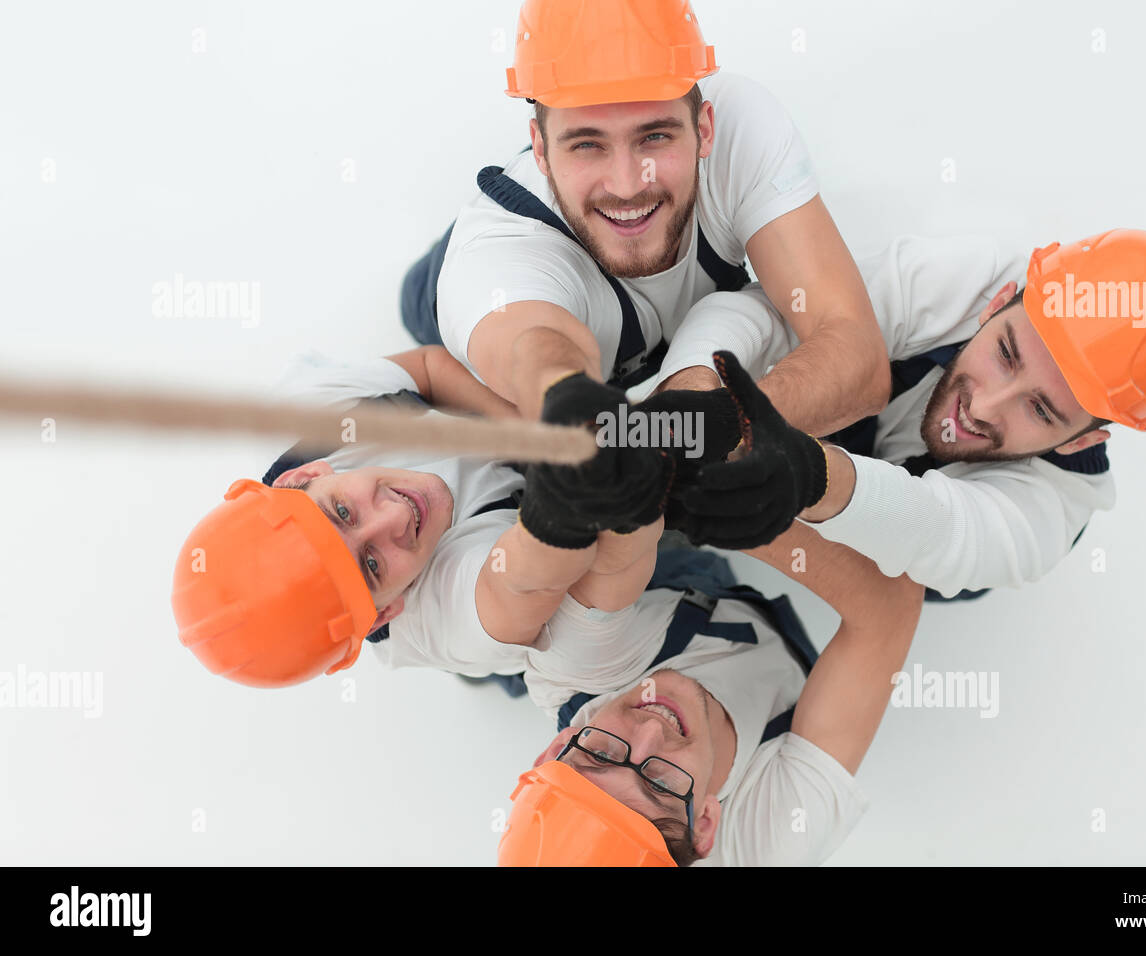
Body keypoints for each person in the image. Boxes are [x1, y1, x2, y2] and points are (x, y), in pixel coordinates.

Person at [401, 0, 892, 538]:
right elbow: (535, 348)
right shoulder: (494, 261)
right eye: (587, 143)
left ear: (705, 128)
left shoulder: (741, 126)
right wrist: (564, 393)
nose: (629, 183)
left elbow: (859, 357)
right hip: (464, 292)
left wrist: (726, 423)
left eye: (654, 137)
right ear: (539, 149)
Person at [659, 229, 1146, 599]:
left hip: (893, 554)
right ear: (997, 303)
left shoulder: (1049, 517)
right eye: (1005, 354)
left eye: (1040, 409)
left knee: (895, 566)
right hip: (819, 441)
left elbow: (943, 530)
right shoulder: (956, 278)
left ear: (1080, 442)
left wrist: (805, 476)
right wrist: (691, 398)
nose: (982, 406)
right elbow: (761, 314)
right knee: (837, 354)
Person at [170, 345, 666, 687]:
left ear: (302, 476)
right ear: (385, 613)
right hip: (537, 597)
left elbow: (427, 368)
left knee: (428, 297)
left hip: (489, 434)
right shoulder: (438, 619)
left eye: (342, 511)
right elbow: (517, 585)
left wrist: (537, 436)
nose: (392, 518)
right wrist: (591, 471)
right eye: (372, 565)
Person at [499, 517, 924, 867]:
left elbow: (622, 509)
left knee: (504, 638)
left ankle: (494, 668)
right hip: (750, 637)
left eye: (601, 755)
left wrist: (684, 494)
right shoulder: (771, 833)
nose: (649, 731)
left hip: (671, 584)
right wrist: (743, 518)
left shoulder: (573, 668)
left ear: (557, 747)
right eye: (661, 785)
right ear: (704, 823)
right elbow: (893, 600)